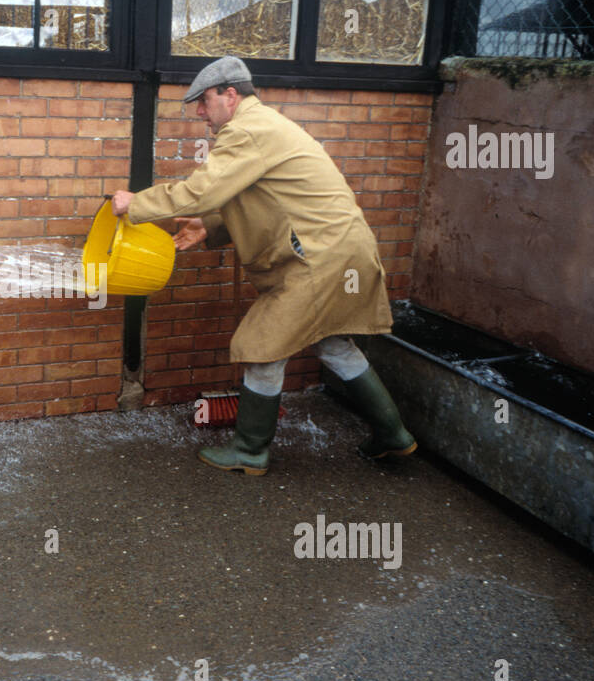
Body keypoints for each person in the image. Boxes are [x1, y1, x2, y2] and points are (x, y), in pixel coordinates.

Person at [109, 55, 416, 475]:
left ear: (230, 95)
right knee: (331, 344)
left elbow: (205, 188)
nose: (199, 111)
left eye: (203, 101)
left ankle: (250, 450)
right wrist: (210, 226)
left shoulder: (247, 130)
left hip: (318, 258)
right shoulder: (264, 125)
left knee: (263, 346)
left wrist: (136, 204)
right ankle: (393, 435)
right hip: (338, 251)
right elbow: (249, 195)